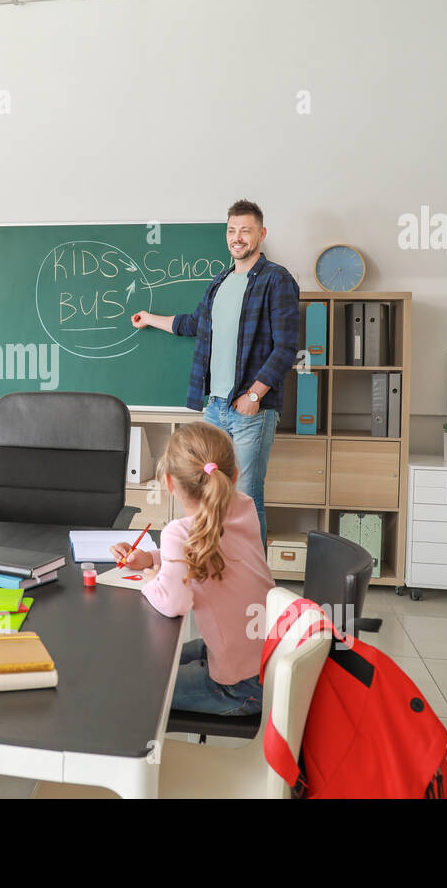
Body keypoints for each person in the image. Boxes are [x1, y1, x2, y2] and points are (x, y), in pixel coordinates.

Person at [131, 198, 299, 544]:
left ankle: (253, 579)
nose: (237, 237)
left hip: (251, 410)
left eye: (246, 231)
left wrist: (254, 396)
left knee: (247, 498)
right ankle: (217, 570)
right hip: (215, 408)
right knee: (208, 495)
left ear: (261, 234)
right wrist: (150, 319)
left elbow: (286, 349)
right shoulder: (220, 281)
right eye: (232, 230)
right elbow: (194, 324)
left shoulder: (276, 280)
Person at [111, 422, 274, 717]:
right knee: (152, 660)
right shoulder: (245, 506)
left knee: (131, 684)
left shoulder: (179, 531)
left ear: (169, 482)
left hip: (241, 686)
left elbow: (174, 603)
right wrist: (151, 557)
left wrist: (151, 579)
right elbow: (206, 546)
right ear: (234, 476)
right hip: (268, 660)